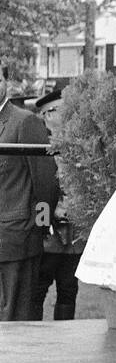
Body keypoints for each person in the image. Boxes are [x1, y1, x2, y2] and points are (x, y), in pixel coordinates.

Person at [0, 63, 57, 321]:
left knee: (16, 322)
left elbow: (46, 182)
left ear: (5, 82)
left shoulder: (25, 122)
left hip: (17, 240)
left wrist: (39, 228)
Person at [33, 89, 84, 319]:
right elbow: (36, 190)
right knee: (38, 289)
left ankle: (64, 341)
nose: (67, 114)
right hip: (48, 233)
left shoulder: (78, 142)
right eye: (60, 109)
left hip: (74, 233)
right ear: (47, 114)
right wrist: (43, 225)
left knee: (68, 289)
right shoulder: (35, 144)